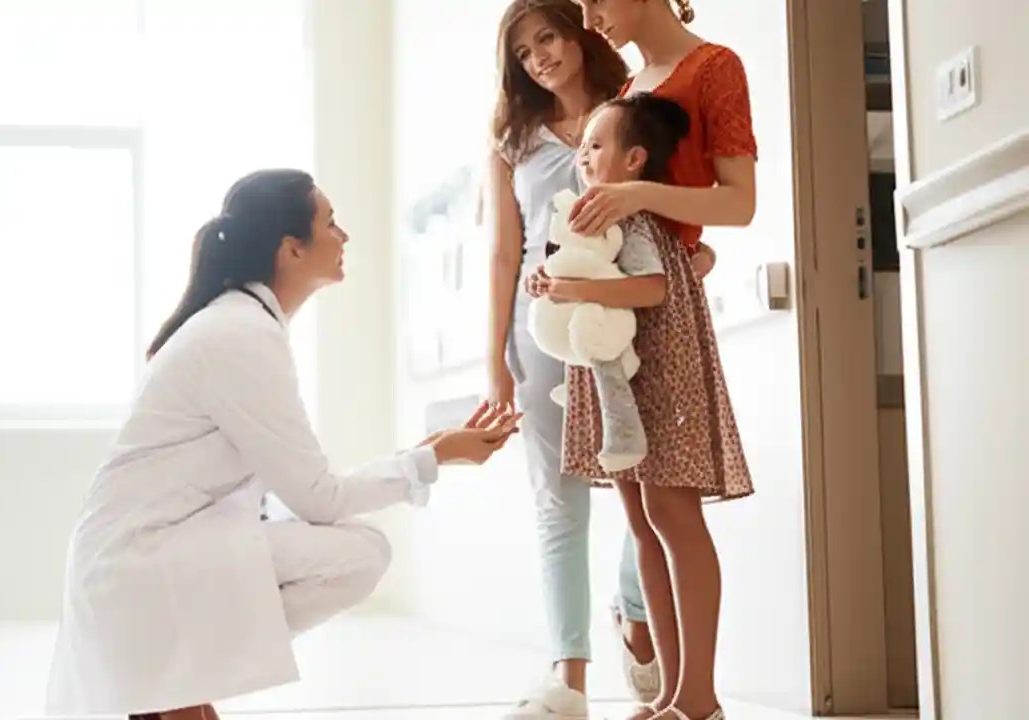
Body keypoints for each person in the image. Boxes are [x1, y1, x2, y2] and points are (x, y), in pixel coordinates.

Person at [44, 169, 522, 720]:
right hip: (139, 566)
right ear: (291, 250)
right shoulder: (241, 335)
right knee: (360, 553)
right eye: (331, 222)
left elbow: (294, 492)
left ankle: (180, 683)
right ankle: (178, 677)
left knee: (350, 550)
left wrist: (433, 451)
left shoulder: (238, 324)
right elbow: (318, 499)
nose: (344, 236)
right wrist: (435, 456)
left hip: (141, 559)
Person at [486, 2, 714, 717]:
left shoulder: (633, 108)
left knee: (649, 485)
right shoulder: (511, 141)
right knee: (560, 504)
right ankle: (570, 681)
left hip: (636, 325)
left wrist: (695, 257)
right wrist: (495, 354)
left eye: (547, 37)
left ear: (578, 31)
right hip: (546, 325)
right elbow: (503, 251)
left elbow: (669, 213)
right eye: (523, 52)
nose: (539, 57)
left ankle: (634, 605)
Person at [561, 2, 761, 719]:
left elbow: (739, 204)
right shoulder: (622, 98)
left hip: (660, 317)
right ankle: (674, 698)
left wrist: (641, 202)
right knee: (642, 518)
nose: (588, 18)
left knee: (673, 513)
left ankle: (698, 699)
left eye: (595, 1)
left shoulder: (715, 68)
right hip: (617, 318)